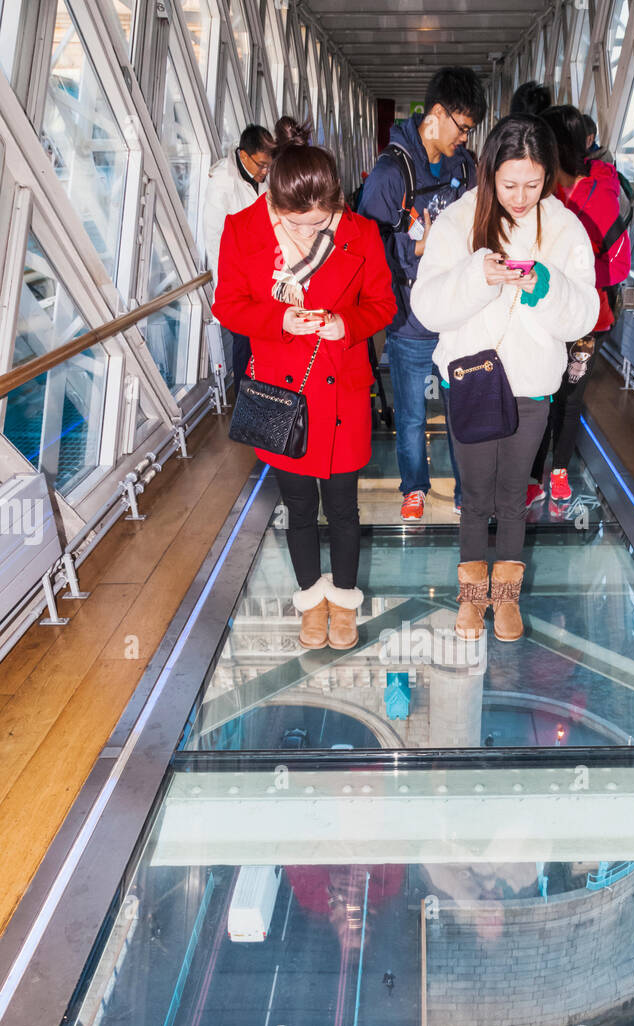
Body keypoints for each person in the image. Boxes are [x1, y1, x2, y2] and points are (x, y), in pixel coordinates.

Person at [412, 115, 598, 641]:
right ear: (489, 172)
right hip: (472, 379)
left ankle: (506, 601)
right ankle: (472, 601)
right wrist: (478, 277)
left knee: (515, 497)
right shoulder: (456, 220)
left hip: (533, 384)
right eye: (509, 183)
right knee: (474, 497)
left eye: (533, 185)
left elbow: (583, 312)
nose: (520, 197)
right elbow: (426, 307)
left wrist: (544, 285)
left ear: (549, 177)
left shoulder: (563, 227)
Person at [213, 119, 396, 651]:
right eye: (298, 223)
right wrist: (278, 320)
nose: (311, 232)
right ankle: (309, 603)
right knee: (296, 506)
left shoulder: (358, 232)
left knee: (343, 507)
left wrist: (347, 325)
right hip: (283, 395)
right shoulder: (242, 230)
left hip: (341, 388)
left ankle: (343, 604)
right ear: (274, 200)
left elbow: (383, 304)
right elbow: (227, 305)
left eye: (321, 222)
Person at [360, 67, 487, 519]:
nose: (465, 139)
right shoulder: (390, 173)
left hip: (458, 317)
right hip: (410, 319)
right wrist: (414, 249)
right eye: (463, 127)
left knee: (463, 412)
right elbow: (363, 249)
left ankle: (464, 493)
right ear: (438, 114)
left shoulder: (466, 168)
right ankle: (413, 486)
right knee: (412, 415)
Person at [527, 106, 631, 506]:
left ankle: (558, 470)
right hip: (544, 313)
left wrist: (572, 281)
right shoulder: (541, 189)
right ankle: (534, 475)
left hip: (589, 318)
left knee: (569, 398)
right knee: (541, 392)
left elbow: (618, 265)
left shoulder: (604, 192)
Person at [203, 124, 275, 389]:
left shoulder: (257, 177)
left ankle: (261, 404)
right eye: (261, 165)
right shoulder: (222, 184)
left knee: (260, 348)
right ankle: (246, 409)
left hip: (264, 280)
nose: (265, 172)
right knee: (244, 347)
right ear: (244, 156)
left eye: (269, 166)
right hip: (240, 285)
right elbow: (215, 242)